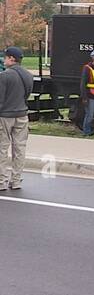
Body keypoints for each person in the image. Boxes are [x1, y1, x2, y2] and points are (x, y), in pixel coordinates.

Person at [0, 47, 34, 191]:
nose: (4, 59)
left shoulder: (4, 76)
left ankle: (1, 181)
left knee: (2, 148)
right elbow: (27, 94)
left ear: (12, 58)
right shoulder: (28, 75)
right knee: (19, 148)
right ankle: (16, 180)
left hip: (5, 116)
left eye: (5, 57)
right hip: (22, 114)